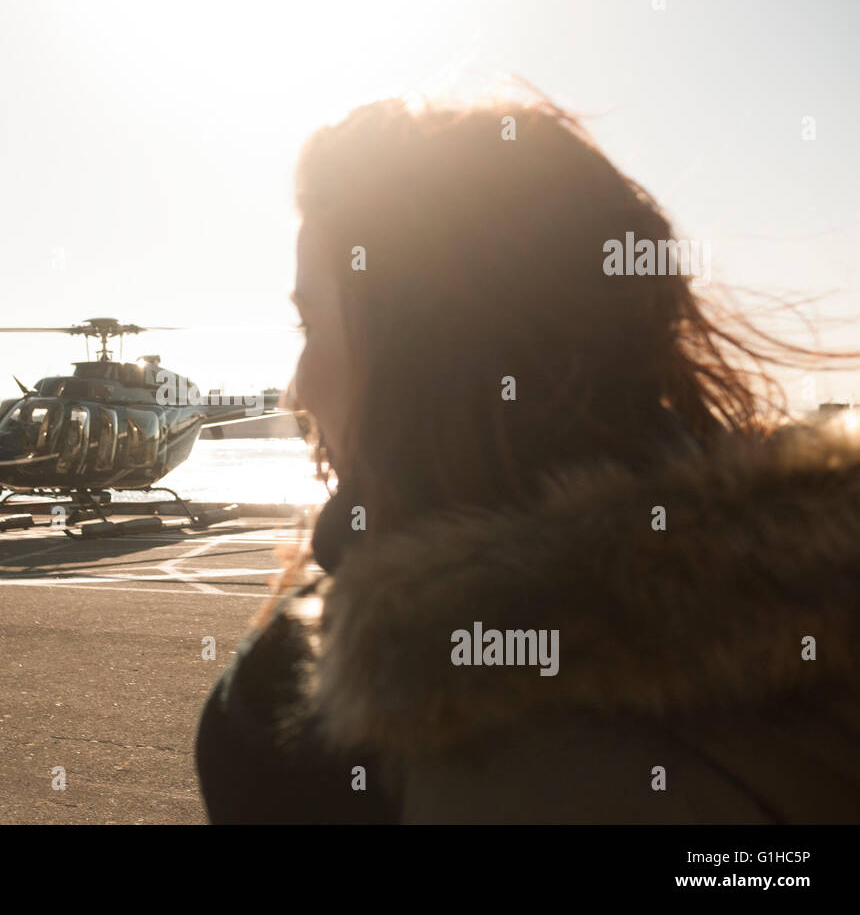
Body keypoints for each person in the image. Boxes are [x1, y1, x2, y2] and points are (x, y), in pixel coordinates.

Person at [195, 94, 860, 823]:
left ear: (434, 357)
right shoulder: (802, 627)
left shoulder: (370, 744)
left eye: (312, 322)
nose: (295, 389)